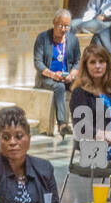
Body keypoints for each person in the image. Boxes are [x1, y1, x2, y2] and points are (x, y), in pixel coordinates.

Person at [69, 44, 111, 188]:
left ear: (108, 64)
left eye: (102, 61)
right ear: (86, 66)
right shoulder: (80, 93)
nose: (98, 66)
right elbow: (82, 127)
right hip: (92, 149)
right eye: (92, 62)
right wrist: (106, 136)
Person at [0, 106, 58, 203]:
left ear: (29, 138)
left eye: (19, 136)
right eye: (6, 137)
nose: (12, 142)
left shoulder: (44, 168)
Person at [33, 9, 80, 137]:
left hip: (66, 76)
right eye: (61, 25)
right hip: (47, 77)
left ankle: (80, 122)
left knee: (81, 86)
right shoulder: (42, 38)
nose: (64, 29)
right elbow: (38, 63)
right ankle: (62, 124)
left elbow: (77, 62)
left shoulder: (73, 40)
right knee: (59, 87)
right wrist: (53, 75)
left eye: (67, 26)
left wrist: (72, 75)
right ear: (54, 23)